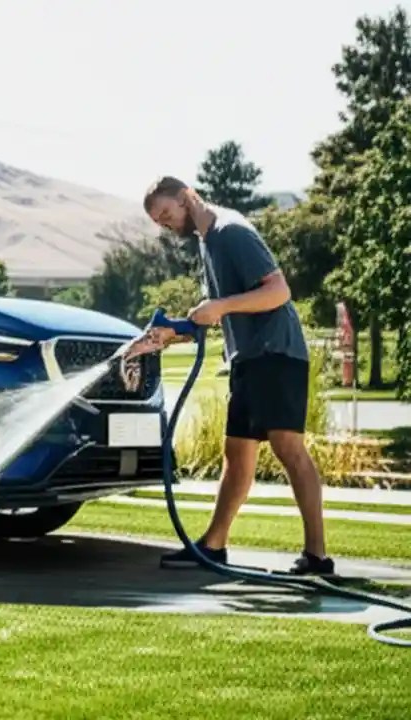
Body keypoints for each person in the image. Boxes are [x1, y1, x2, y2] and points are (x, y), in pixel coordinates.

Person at [142, 176, 333, 576]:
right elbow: (217, 312)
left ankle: (317, 556)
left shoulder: (231, 232)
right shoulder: (207, 242)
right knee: (237, 454)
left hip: (276, 353)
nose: (166, 225)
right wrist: (172, 333)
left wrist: (221, 306)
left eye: (166, 213)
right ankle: (214, 546)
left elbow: (278, 292)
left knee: (289, 450)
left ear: (187, 197)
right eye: (159, 221)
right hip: (249, 358)